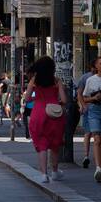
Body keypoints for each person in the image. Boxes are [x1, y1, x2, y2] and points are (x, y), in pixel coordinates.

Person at [24, 55, 67, 183]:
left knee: (41, 144)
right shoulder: (57, 81)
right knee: (55, 144)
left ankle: (43, 174)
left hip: (38, 113)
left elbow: (26, 99)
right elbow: (64, 100)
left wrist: (35, 98)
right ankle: (55, 171)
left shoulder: (34, 80)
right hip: (54, 114)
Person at [81, 54, 101, 184]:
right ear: (96, 66)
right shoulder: (91, 80)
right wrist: (94, 98)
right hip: (94, 110)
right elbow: (84, 97)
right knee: (97, 139)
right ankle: (98, 169)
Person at [76, 59, 97, 169]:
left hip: (96, 109)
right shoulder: (85, 78)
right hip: (88, 108)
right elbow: (79, 94)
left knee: (95, 134)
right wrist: (82, 106)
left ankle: (94, 157)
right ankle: (86, 156)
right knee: (89, 133)